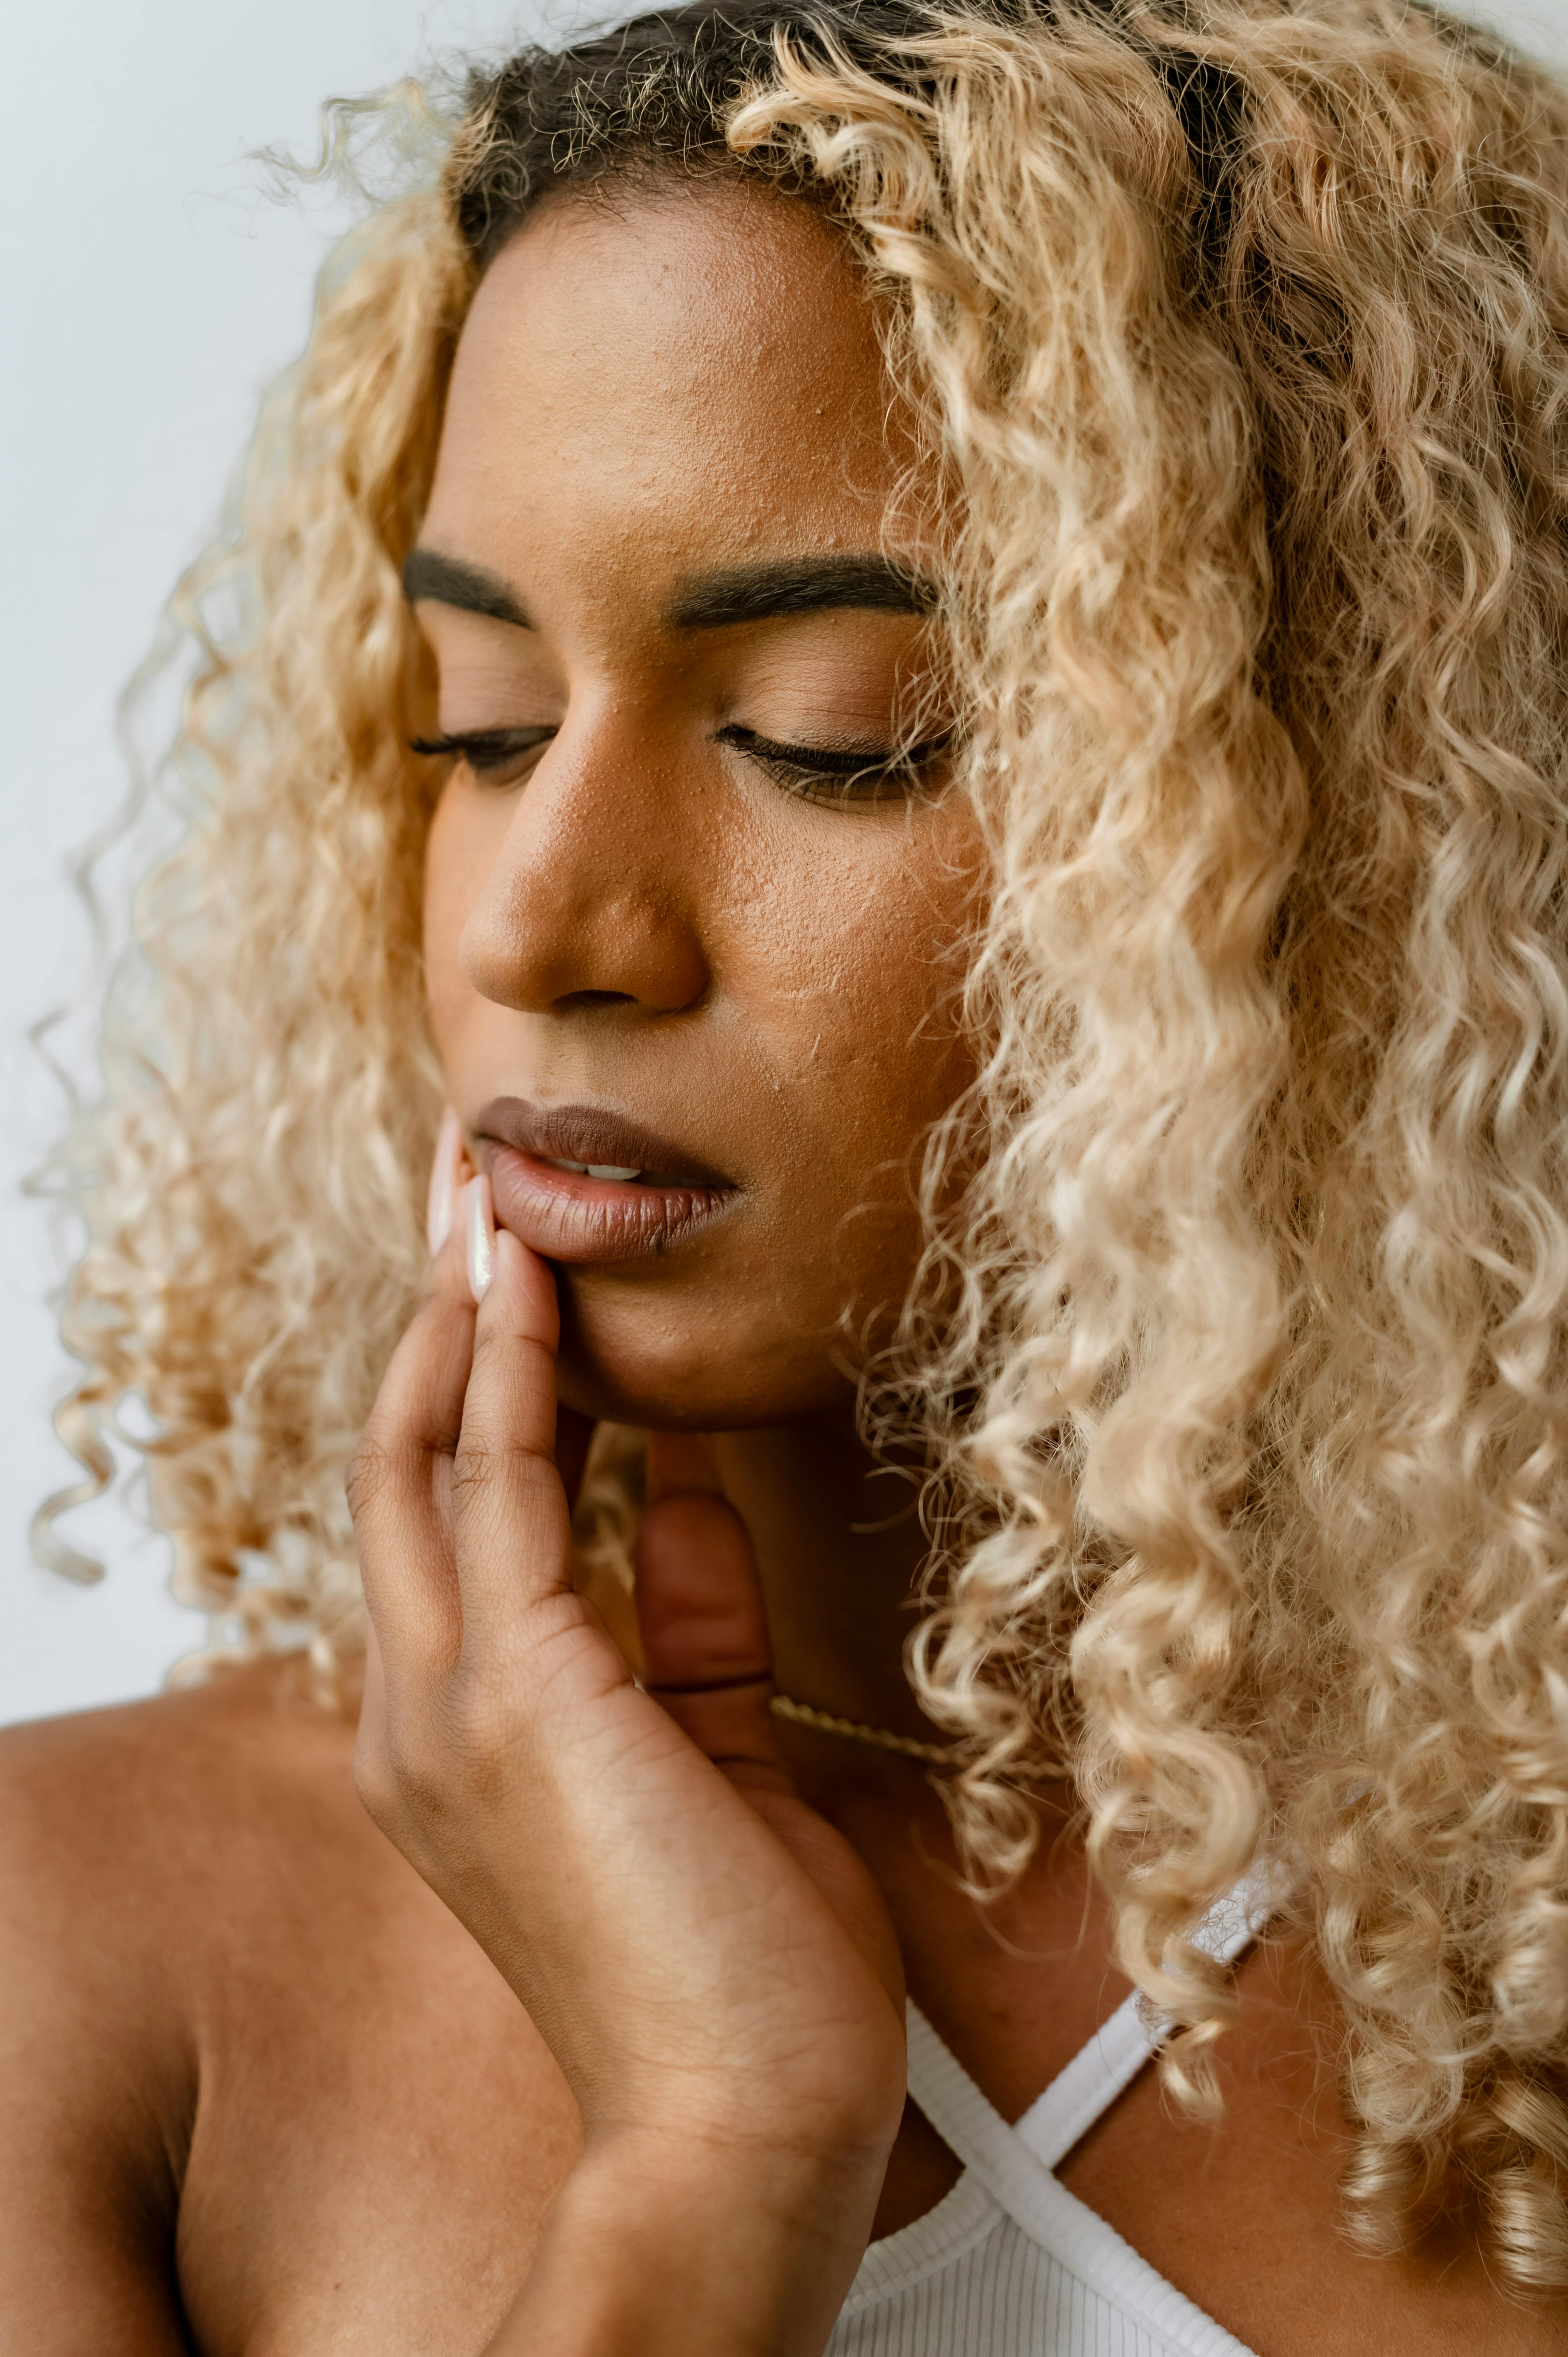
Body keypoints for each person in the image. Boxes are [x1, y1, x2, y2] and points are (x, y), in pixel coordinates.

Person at [7, 0, 1568, 2347]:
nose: (541, 922)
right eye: (483, 730)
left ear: (1373, 841)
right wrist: (711, 2161)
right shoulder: (94, 1951)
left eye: (832, 740)